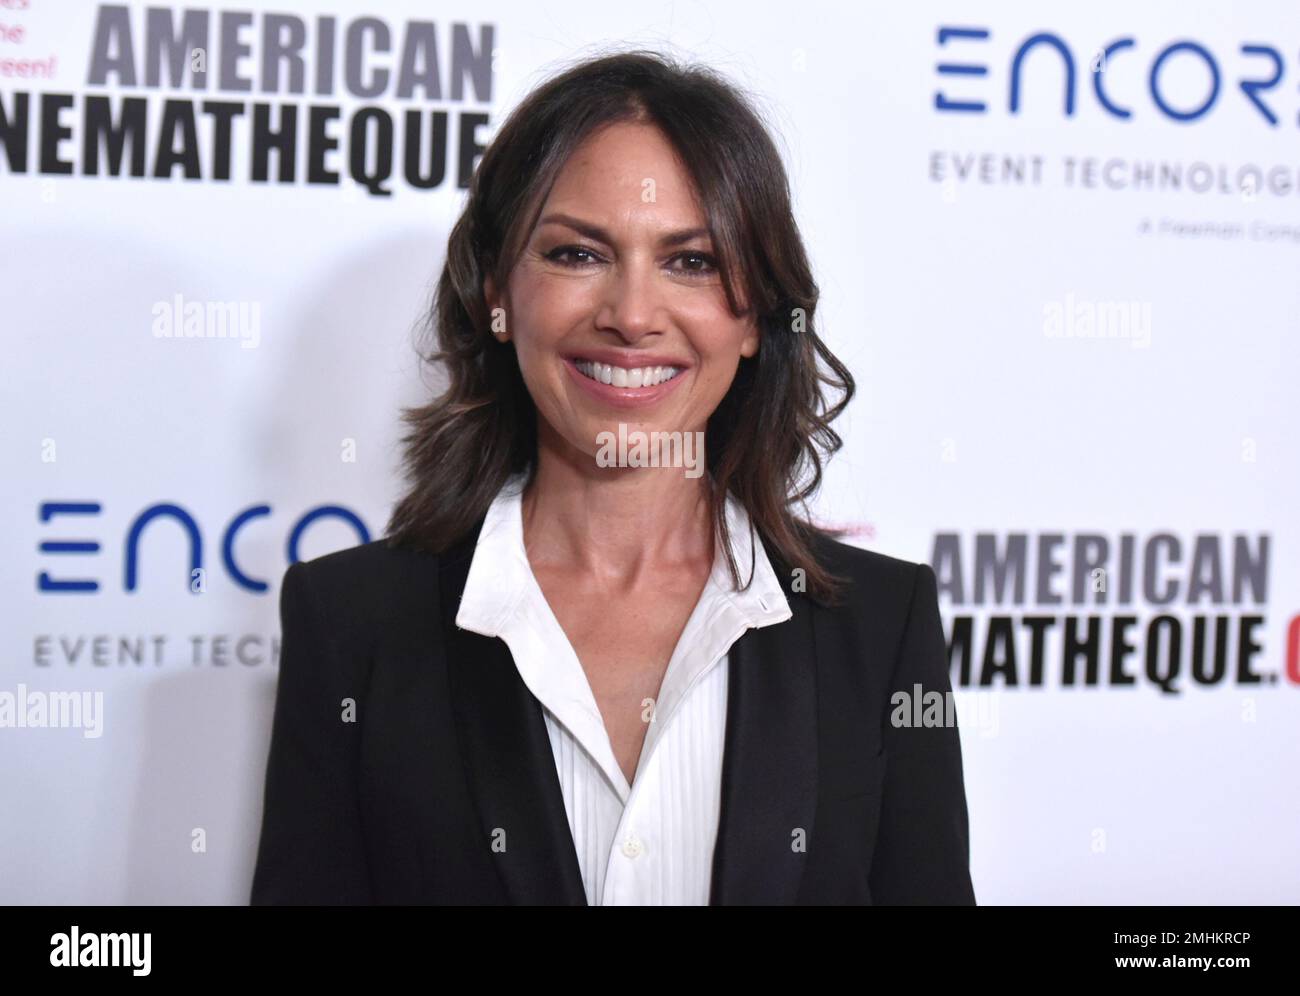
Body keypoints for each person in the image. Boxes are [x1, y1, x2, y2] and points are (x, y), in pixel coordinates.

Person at [250, 49, 976, 905]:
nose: (631, 316)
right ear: (497, 292)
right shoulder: (352, 625)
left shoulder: (879, 626)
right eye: (577, 255)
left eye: (691, 262)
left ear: (755, 319)